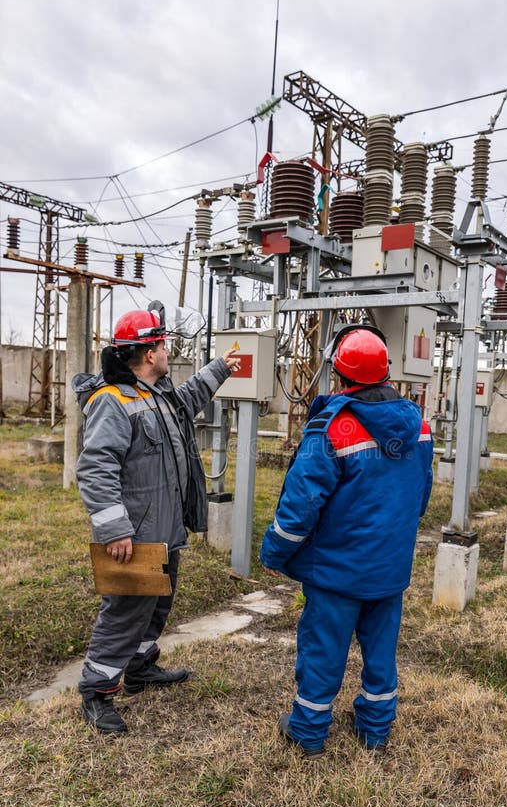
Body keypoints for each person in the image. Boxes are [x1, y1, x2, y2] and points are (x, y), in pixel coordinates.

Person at [260, 325, 433, 757]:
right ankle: (375, 730)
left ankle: (308, 731)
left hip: (337, 572)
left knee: (323, 652)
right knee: (380, 653)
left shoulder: (332, 429)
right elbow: (422, 493)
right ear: (387, 372)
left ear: (339, 374)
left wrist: (274, 551)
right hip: (390, 569)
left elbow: (301, 506)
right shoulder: (420, 426)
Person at [73, 305, 240, 735]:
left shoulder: (156, 394)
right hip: (135, 535)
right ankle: (97, 692)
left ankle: (140, 668)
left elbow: (186, 401)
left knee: (156, 606)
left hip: (163, 532)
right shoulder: (112, 401)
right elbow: (95, 468)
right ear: (149, 353)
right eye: (163, 344)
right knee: (126, 612)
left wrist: (220, 368)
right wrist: (114, 530)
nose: (167, 351)